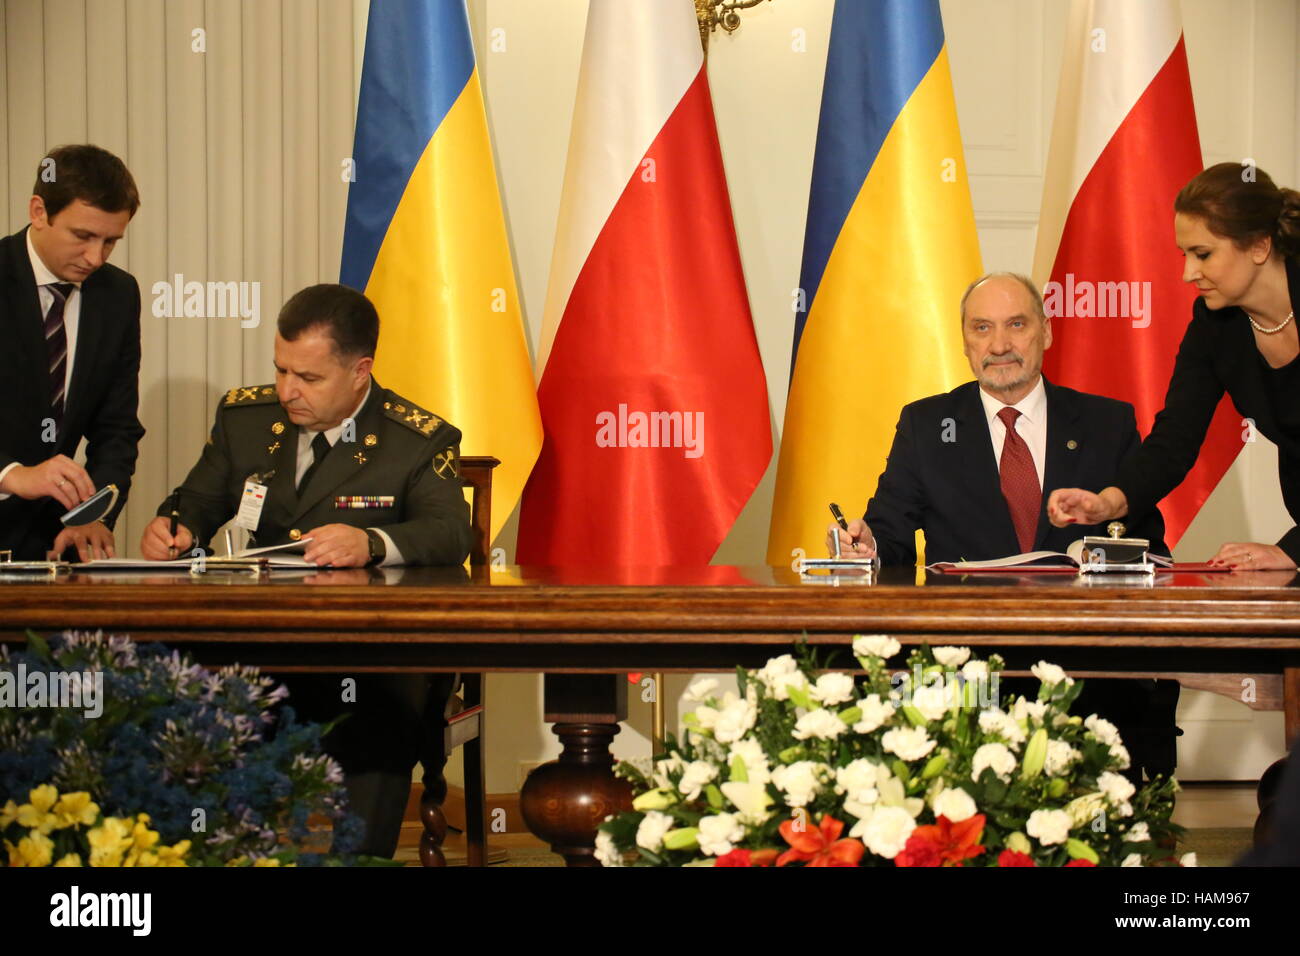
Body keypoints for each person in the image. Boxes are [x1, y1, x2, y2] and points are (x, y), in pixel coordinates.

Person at [140, 282, 472, 857]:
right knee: (174, 687)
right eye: (281, 370)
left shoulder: (415, 440)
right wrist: (177, 526)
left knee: (382, 710)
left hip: (367, 652)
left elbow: (449, 533)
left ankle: (359, 860)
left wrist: (370, 541)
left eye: (309, 378)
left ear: (360, 371)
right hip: (262, 641)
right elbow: (196, 499)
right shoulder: (247, 418)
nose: (288, 391)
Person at [828, 273, 1177, 782]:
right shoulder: (927, 425)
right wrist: (867, 546)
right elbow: (891, 533)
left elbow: (1147, 549)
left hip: (1085, 661)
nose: (999, 345)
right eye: (982, 328)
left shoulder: (1107, 422)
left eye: (1016, 324)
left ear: (1046, 331)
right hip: (966, 663)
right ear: (965, 341)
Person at [1047, 163, 1300, 569]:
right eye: (1185, 254)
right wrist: (1110, 500)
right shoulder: (1214, 323)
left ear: (1259, 246)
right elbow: (1175, 439)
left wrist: (1291, 550)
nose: (1187, 273)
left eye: (1203, 254)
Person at [0, 145, 144, 561]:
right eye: (83, 236)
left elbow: (116, 429)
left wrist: (93, 514)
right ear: (39, 211)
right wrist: (14, 475)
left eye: (111, 241)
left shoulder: (118, 294)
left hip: (53, 545)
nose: (96, 258)